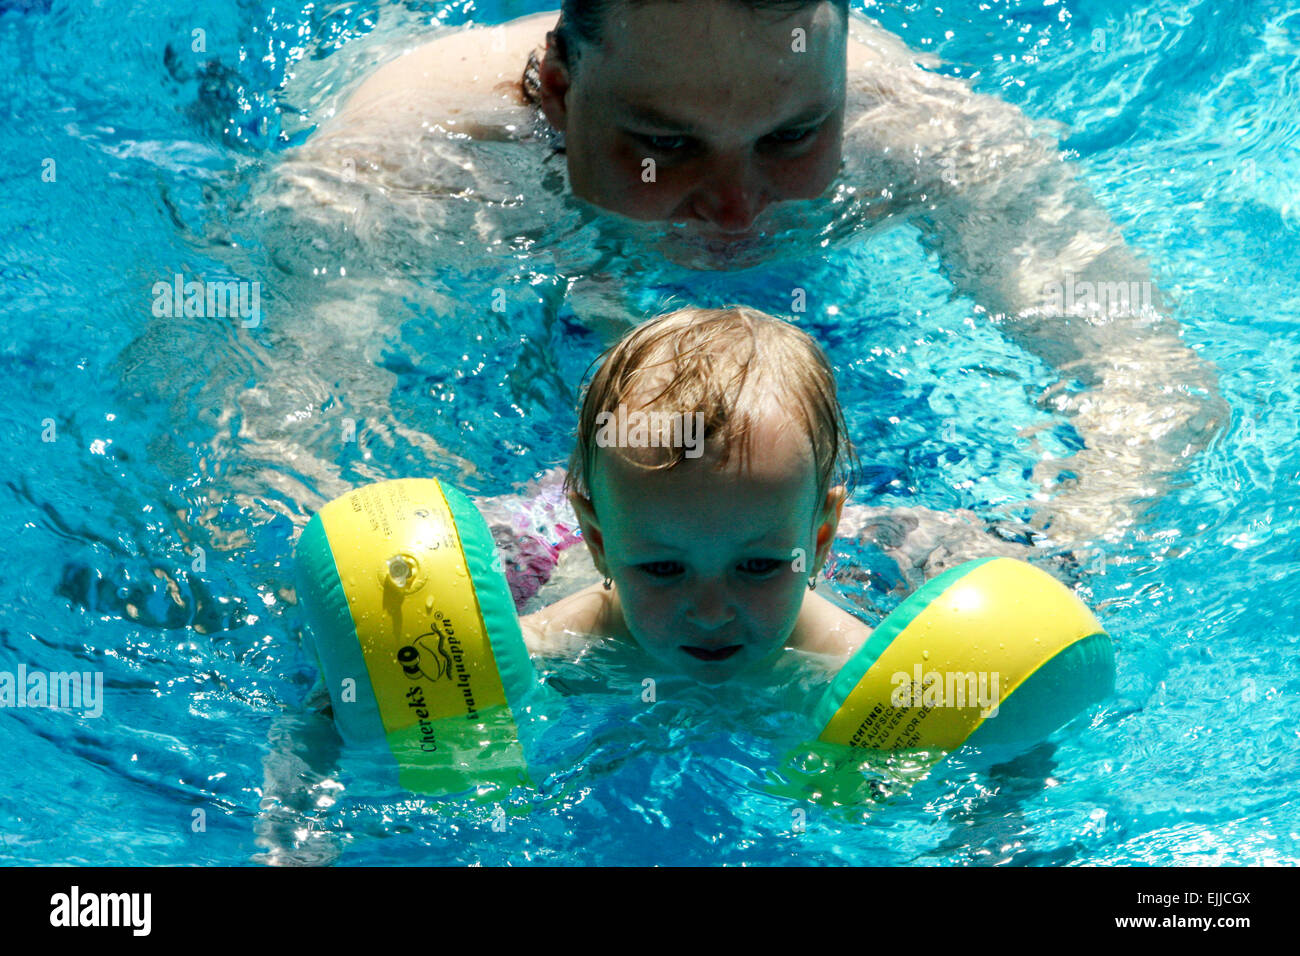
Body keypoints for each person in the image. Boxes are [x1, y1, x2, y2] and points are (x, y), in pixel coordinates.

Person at [290, 0, 1225, 551]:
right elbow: (282, 431)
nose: (737, 212)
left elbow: (1154, 379)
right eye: (667, 146)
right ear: (563, 94)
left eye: (792, 138)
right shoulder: (403, 172)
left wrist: (1050, 544)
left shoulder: (922, 133)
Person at [518, 305, 872, 680]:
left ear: (820, 540)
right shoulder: (557, 647)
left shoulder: (850, 667)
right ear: (599, 543)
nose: (710, 615)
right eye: (663, 568)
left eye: (758, 566)